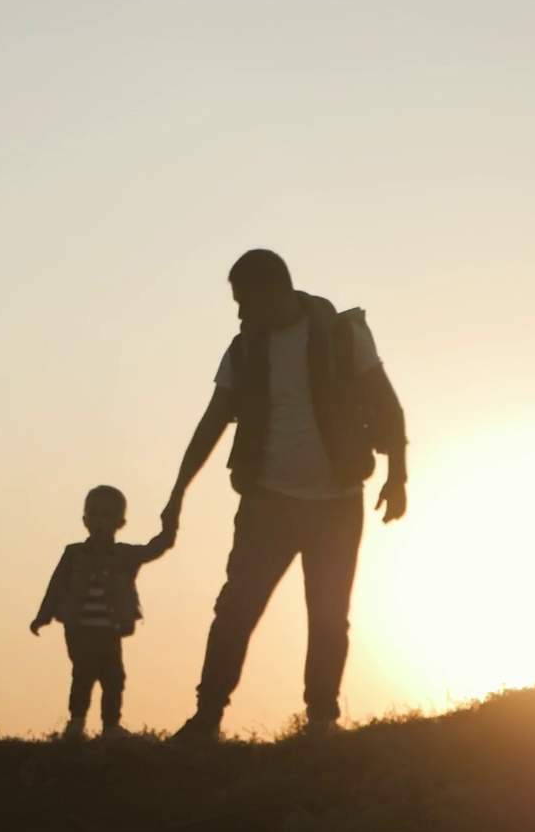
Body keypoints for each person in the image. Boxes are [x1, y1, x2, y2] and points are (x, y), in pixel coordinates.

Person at [161, 249, 409, 741]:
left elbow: (386, 401)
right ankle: (206, 720)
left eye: (244, 300)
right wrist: (177, 493)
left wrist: (397, 475)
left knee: (328, 613)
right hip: (267, 502)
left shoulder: (342, 336)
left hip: (337, 502)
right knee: (236, 610)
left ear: (275, 290)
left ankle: (321, 722)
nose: (239, 312)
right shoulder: (244, 350)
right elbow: (212, 421)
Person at [30, 486, 175, 740]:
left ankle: (111, 726)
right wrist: (44, 615)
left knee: (114, 677)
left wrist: (169, 529)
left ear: (120, 523)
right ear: (85, 520)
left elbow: (153, 549)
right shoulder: (74, 554)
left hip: (110, 628)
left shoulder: (125, 555)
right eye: (94, 514)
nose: (100, 521)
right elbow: (57, 586)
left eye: (107, 516)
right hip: (79, 628)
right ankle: (76, 722)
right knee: (83, 673)